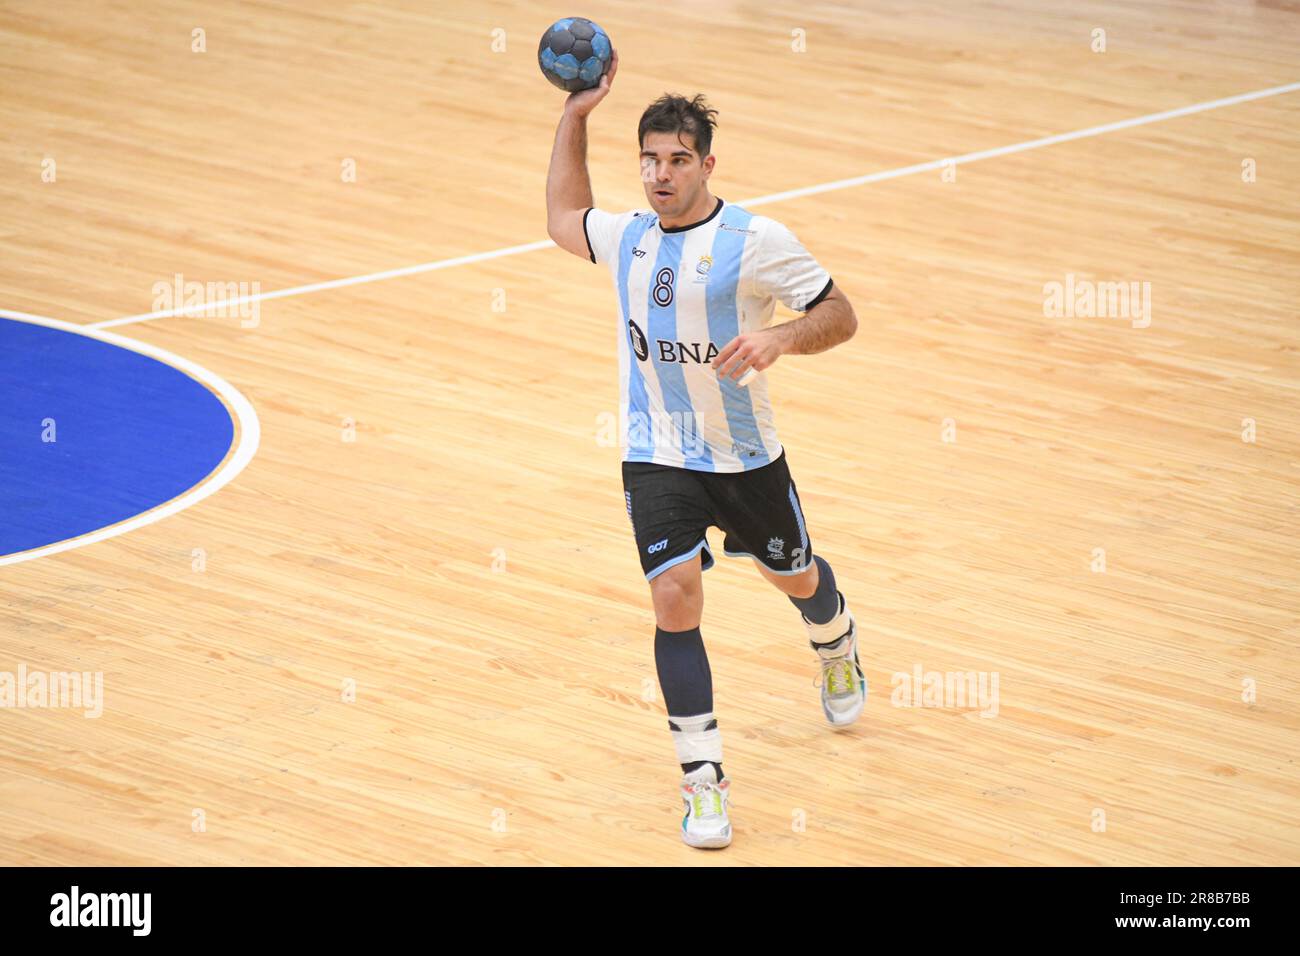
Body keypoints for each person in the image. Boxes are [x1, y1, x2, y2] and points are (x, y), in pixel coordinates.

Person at [544, 51, 863, 849]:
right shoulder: (627, 240)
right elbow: (561, 219)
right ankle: (703, 782)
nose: (660, 174)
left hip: (746, 457)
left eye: (677, 160)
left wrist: (780, 339)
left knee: (792, 574)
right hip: (656, 454)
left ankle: (834, 640)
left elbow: (841, 314)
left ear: (706, 164)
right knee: (675, 597)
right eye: (649, 159)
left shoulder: (756, 241)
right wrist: (574, 117)